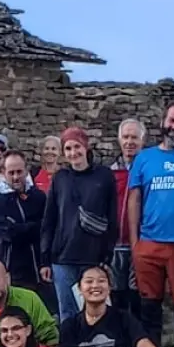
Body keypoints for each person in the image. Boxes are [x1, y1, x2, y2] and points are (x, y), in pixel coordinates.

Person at [126, 103, 174, 347]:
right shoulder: (144, 158)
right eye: (172, 120)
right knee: (149, 308)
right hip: (149, 244)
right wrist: (135, 242)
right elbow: (134, 200)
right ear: (163, 121)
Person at [42, 126, 120, 323]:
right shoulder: (60, 178)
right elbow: (50, 218)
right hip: (63, 258)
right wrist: (45, 258)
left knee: (97, 312)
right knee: (67, 314)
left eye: (77, 147)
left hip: (92, 257)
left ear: (86, 147)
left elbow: (112, 217)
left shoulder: (104, 176)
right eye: (68, 148)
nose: (73, 152)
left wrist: (107, 254)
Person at [0, 150, 52, 311]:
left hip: (39, 269)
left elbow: (47, 229)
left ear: (26, 170)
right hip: (12, 270)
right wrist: (33, 227)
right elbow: (7, 233)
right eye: (11, 173)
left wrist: (20, 228)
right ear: (3, 172)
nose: (16, 177)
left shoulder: (38, 197)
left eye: (19, 172)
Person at [108, 119, 146, 315]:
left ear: (142, 141)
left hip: (140, 243)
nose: (129, 142)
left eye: (134, 137)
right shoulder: (110, 173)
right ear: (119, 140)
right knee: (116, 294)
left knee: (137, 294)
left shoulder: (149, 170)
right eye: (125, 137)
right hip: (114, 244)